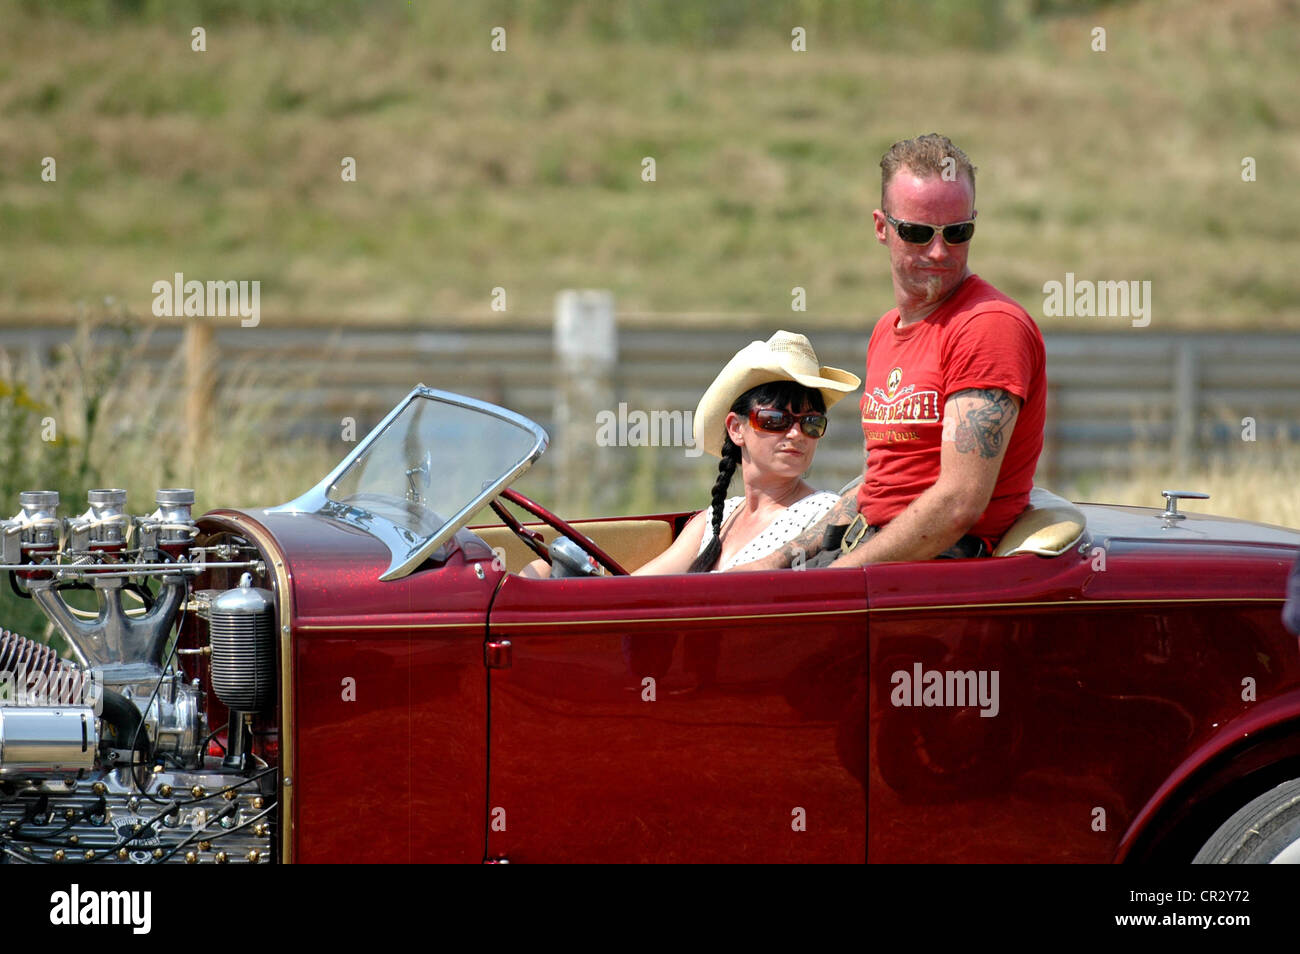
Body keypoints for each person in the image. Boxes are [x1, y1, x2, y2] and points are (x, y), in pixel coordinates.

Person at [728, 134, 1047, 571]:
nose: (939, 251)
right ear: (882, 227)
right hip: (873, 560)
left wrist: (835, 579)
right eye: (917, 233)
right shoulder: (886, 330)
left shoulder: (987, 327)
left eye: (957, 232)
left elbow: (958, 505)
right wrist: (780, 560)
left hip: (929, 579)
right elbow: (877, 487)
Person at [519, 331, 859, 577]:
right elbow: (638, 589)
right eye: (775, 420)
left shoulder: (825, 511)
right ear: (735, 428)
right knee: (541, 568)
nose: (796, 434)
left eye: (811, 423)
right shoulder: (719, 516)